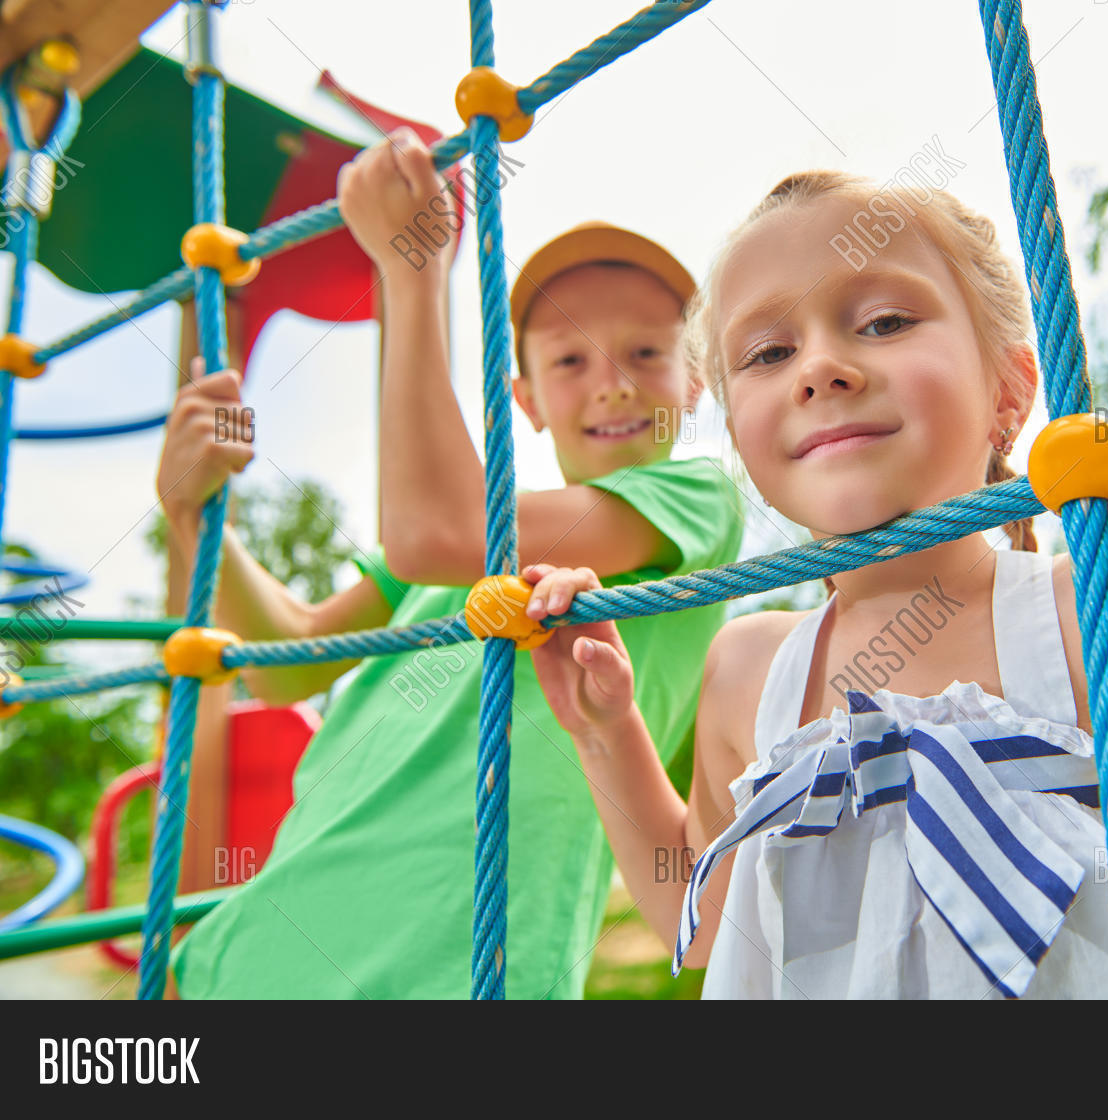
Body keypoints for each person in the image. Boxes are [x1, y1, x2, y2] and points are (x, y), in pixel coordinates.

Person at [517, 169, 1108, 999]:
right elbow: (711, 920)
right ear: (737, 432)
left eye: (884, 319)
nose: (819, 365)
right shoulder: (749, 667)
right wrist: (605, 733)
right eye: (769, 352)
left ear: (1007, 390)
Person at [167, 130, 743, 998]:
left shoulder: (697, 502)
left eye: (647, 353)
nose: (613, 382)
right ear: (528, 402)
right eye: (571, 359)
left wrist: (413, 271)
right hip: (260, 939)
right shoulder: (478, 542)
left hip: (451, 958)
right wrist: (194, 515)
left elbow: (434, 525)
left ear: (694, 381)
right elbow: (292, 658)